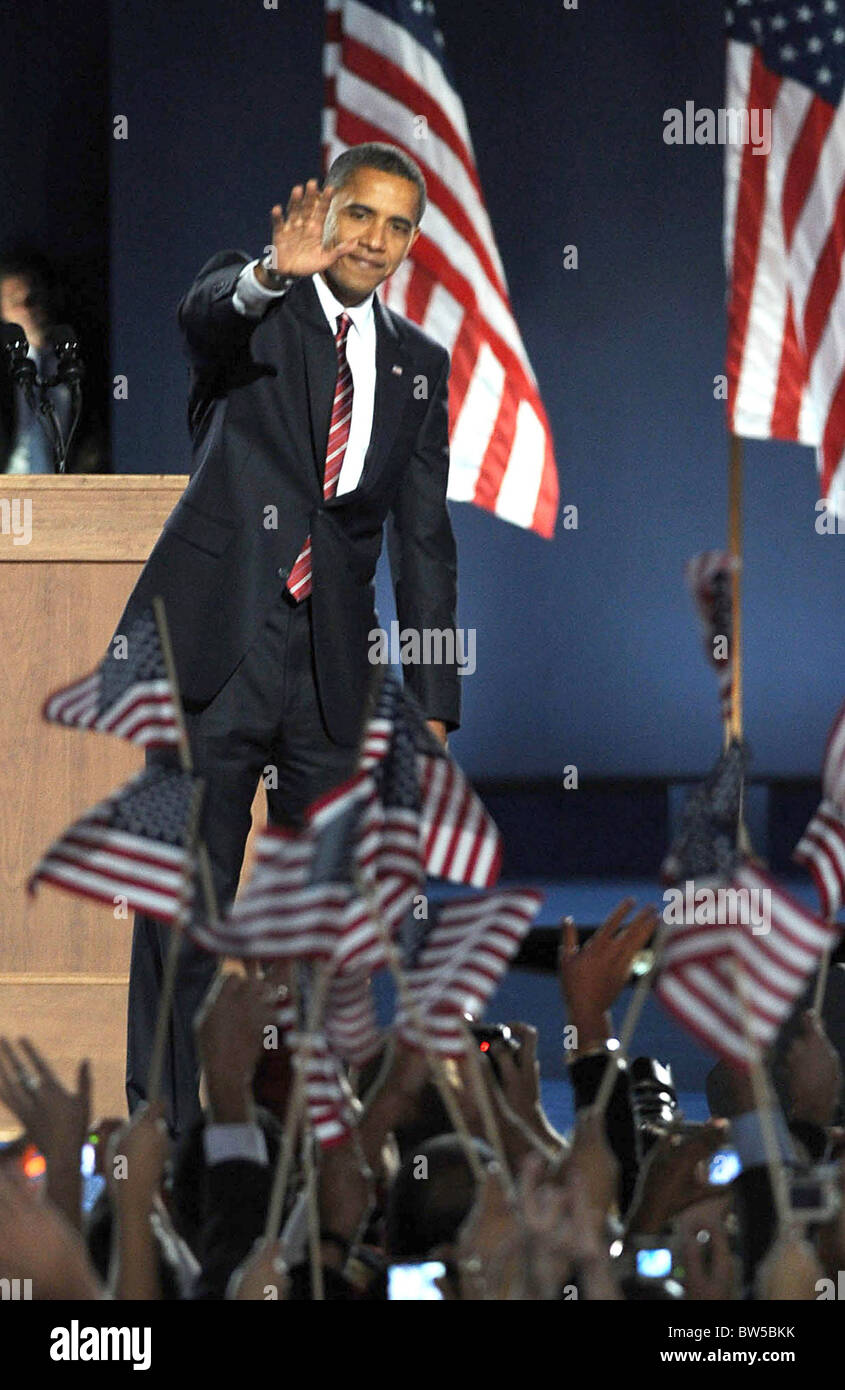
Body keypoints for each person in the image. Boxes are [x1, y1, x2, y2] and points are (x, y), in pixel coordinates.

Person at [118, 142, 462, 1138]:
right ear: (325, 211)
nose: (375, 239)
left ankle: (299, 1138)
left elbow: (423, 539)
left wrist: (434, 704)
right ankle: (168, 1137)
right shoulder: (255, 305)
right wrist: (272, 272)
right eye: (359, 213)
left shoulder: (417, 367)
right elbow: (203, 317)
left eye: (398, 225)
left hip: (331, 674)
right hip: (217, 653)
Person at [0, 248, 107, 474]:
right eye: (13, 300)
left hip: (66, 487)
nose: (26, 308)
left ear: (50, 297)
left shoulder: (81, 361)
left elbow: (94, 435)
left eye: (33, 297)